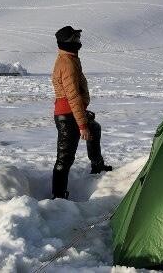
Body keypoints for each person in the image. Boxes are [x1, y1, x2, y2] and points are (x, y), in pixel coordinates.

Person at [51, 25, 111, 199]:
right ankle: (59, 195)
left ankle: (97, 165)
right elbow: (73, 96)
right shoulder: (67, 63)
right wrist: (82, 124)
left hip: (71, 112)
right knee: (65, 157)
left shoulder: (69, 58)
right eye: (76, 38)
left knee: (95, 129)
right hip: (67, 115)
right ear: (69, 42)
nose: (79, 41)